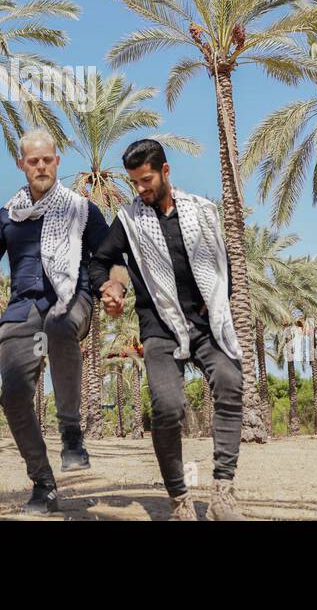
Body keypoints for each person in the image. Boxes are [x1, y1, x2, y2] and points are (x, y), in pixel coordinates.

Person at [88, 138, 245, 521]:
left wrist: (218, 298)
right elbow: (99, 262)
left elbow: (222, 265)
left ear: (165, 171)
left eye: (145, 180)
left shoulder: (203, 212)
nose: (140, 190)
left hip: (206, 325)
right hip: (158, 326)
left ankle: (223, 493)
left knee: (229, 382)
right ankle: (180, 500)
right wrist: (110, 286)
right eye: (134, 183)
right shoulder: (128, 221)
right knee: (167, 406)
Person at [0, 129, 110, 514]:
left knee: (58, 325)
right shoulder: (7, 216)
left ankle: (71, 434)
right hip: (23, 309)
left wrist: (110, 287)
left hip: (72, 299)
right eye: (33, 161)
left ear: (57, 160)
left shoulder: (83, 210)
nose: (40, 166)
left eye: (47, 159)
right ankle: (43, 483)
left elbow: (107, 258)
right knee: (13, 396)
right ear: (22, 164)